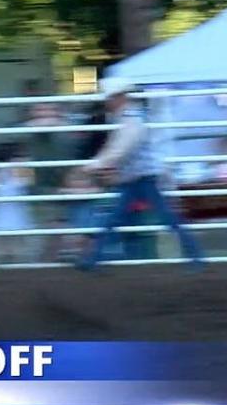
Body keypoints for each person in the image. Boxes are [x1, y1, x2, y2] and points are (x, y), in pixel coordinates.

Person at [77, 78, 205, 271]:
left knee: (156, 218)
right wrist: (99, 163)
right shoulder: (129, 117)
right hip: (139, 176)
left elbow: (120, 149)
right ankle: (94, 259)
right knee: (159, 218)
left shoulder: (131, 119)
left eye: (109, 98)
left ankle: (94, 259)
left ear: (118, 97)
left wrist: (96, 164)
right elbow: (116, 148)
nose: (107, 102)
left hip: (142, 177)